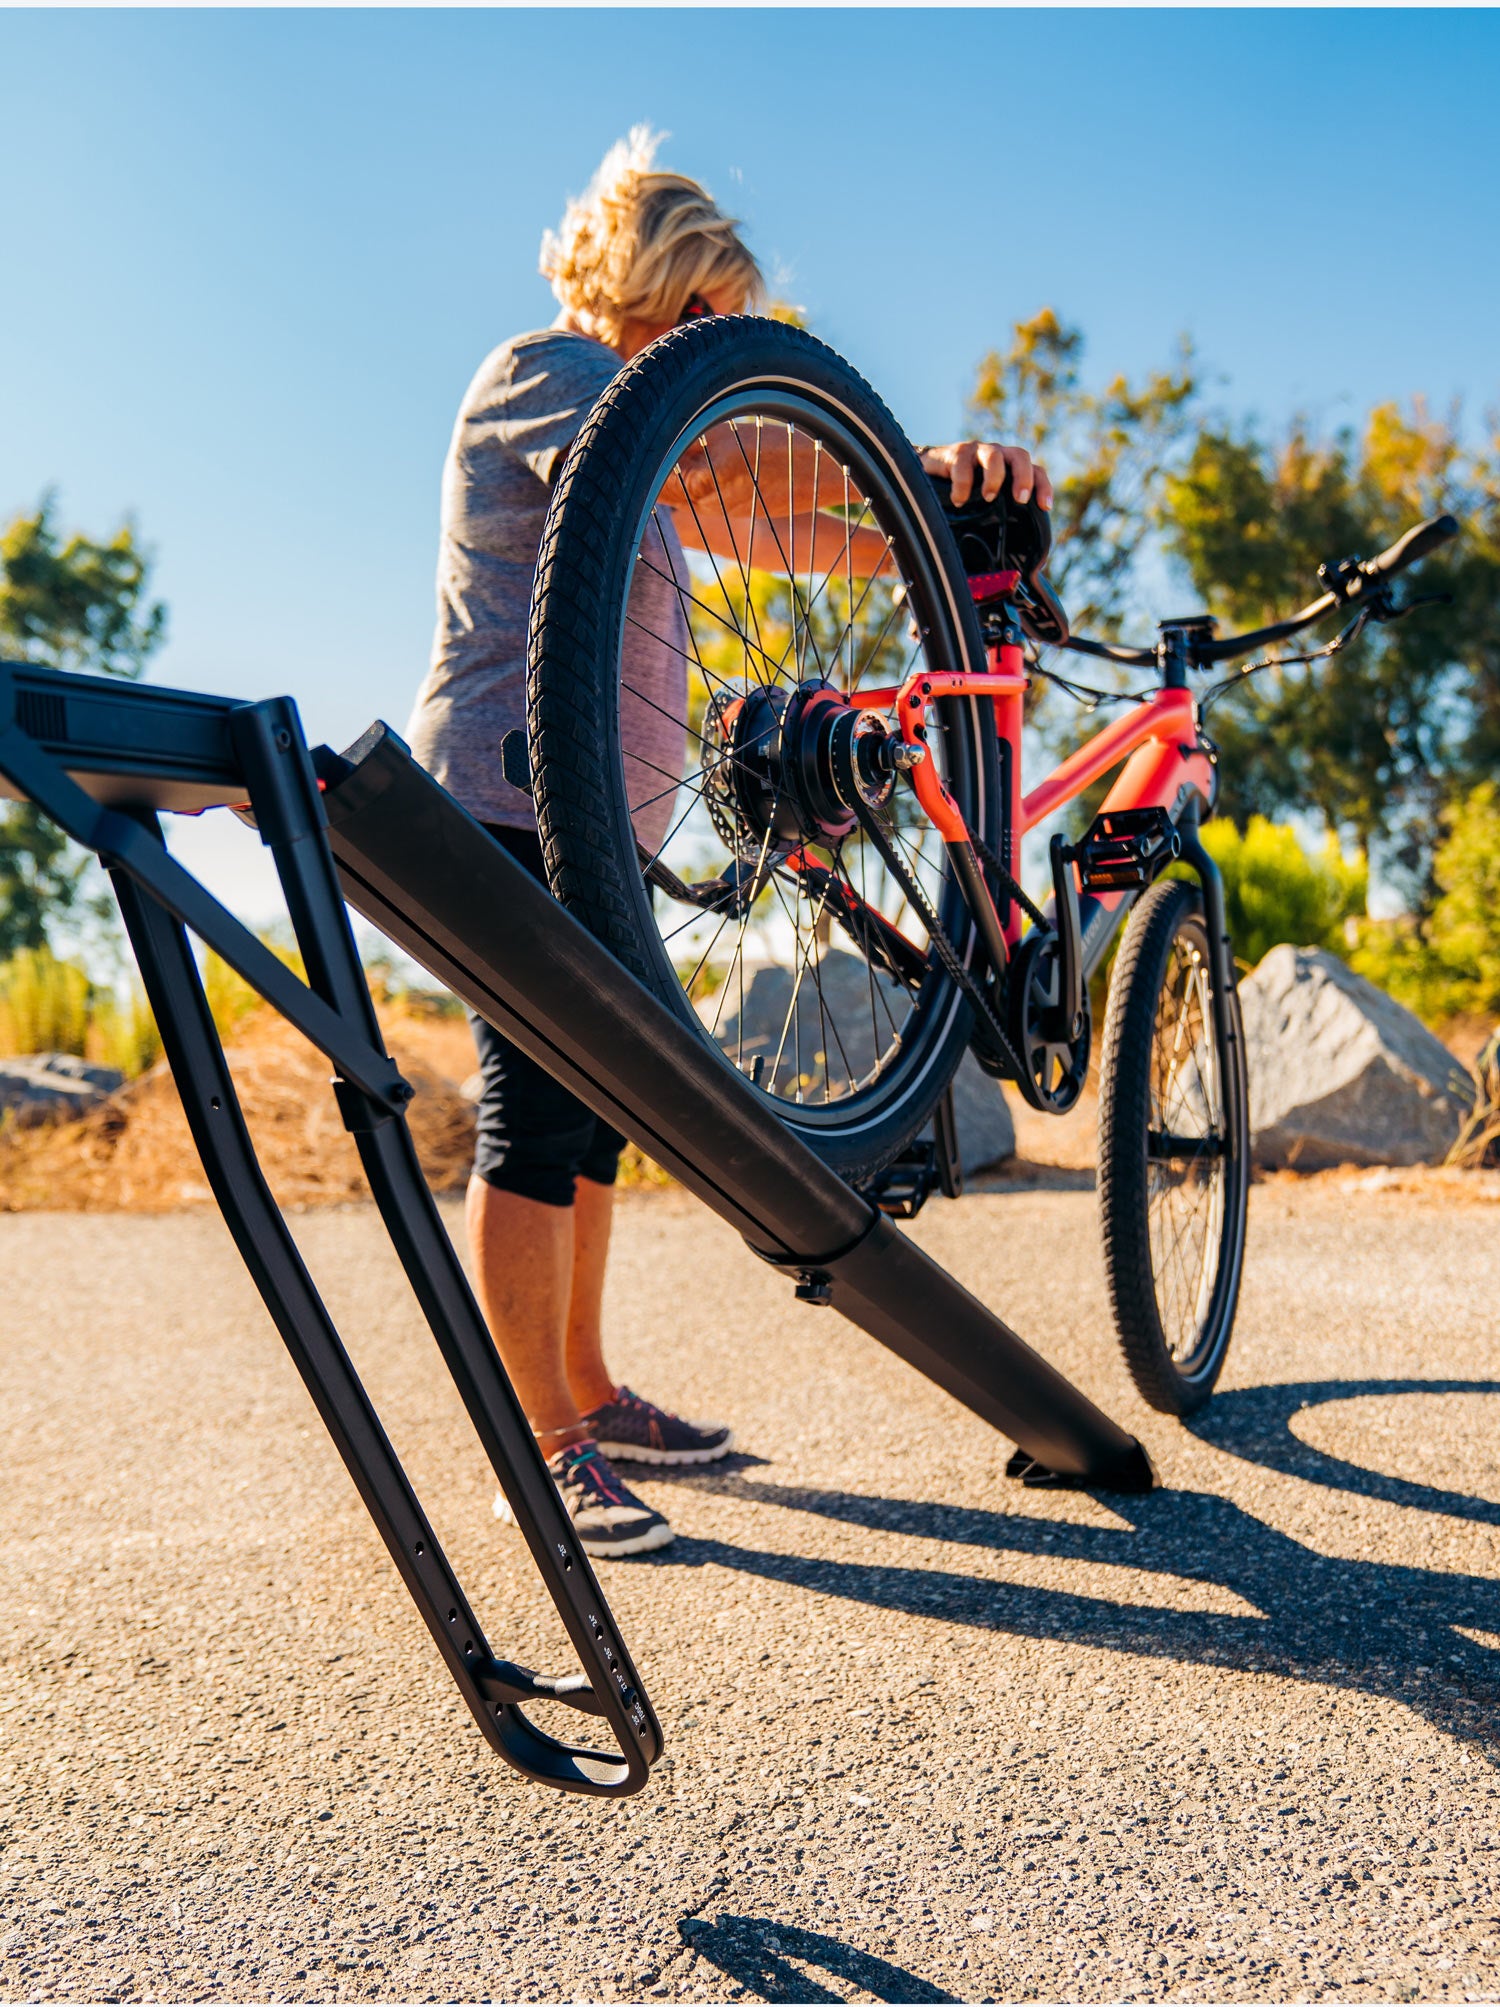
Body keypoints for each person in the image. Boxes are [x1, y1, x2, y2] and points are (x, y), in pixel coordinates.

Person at [407, 128, 1050, 1561]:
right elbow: (715, 464)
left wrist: (928, 537)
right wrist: (900, 461)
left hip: (597, 825)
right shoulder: (547, 374)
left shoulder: (650, 428)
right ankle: (542, 1448)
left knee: (594, 1117)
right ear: (659, 283)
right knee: (534, 1112)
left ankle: (587, 1392)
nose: (715, 347)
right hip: (505, 803)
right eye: (708, 317)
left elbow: (756, 523)